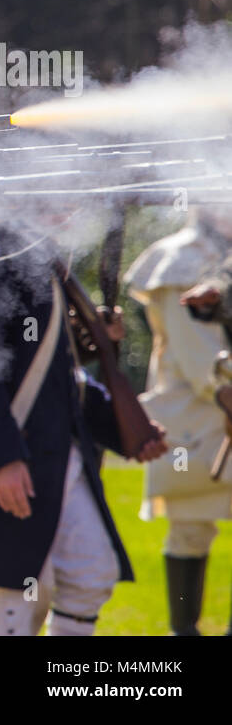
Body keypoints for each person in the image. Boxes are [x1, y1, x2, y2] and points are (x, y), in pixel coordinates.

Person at [0, 219, 166, 635]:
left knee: (90, 573)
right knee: (14, 585)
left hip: (55, 451)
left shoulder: (37, 253)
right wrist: (4, 458)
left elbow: (59, 380)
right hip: (20, 452)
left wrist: (129, 431)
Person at [132, 213, 232, 634]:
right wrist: (224, 390)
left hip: (216, 405)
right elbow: (198, 356)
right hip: (199, 410)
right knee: (189, 529)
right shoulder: (178, 260)